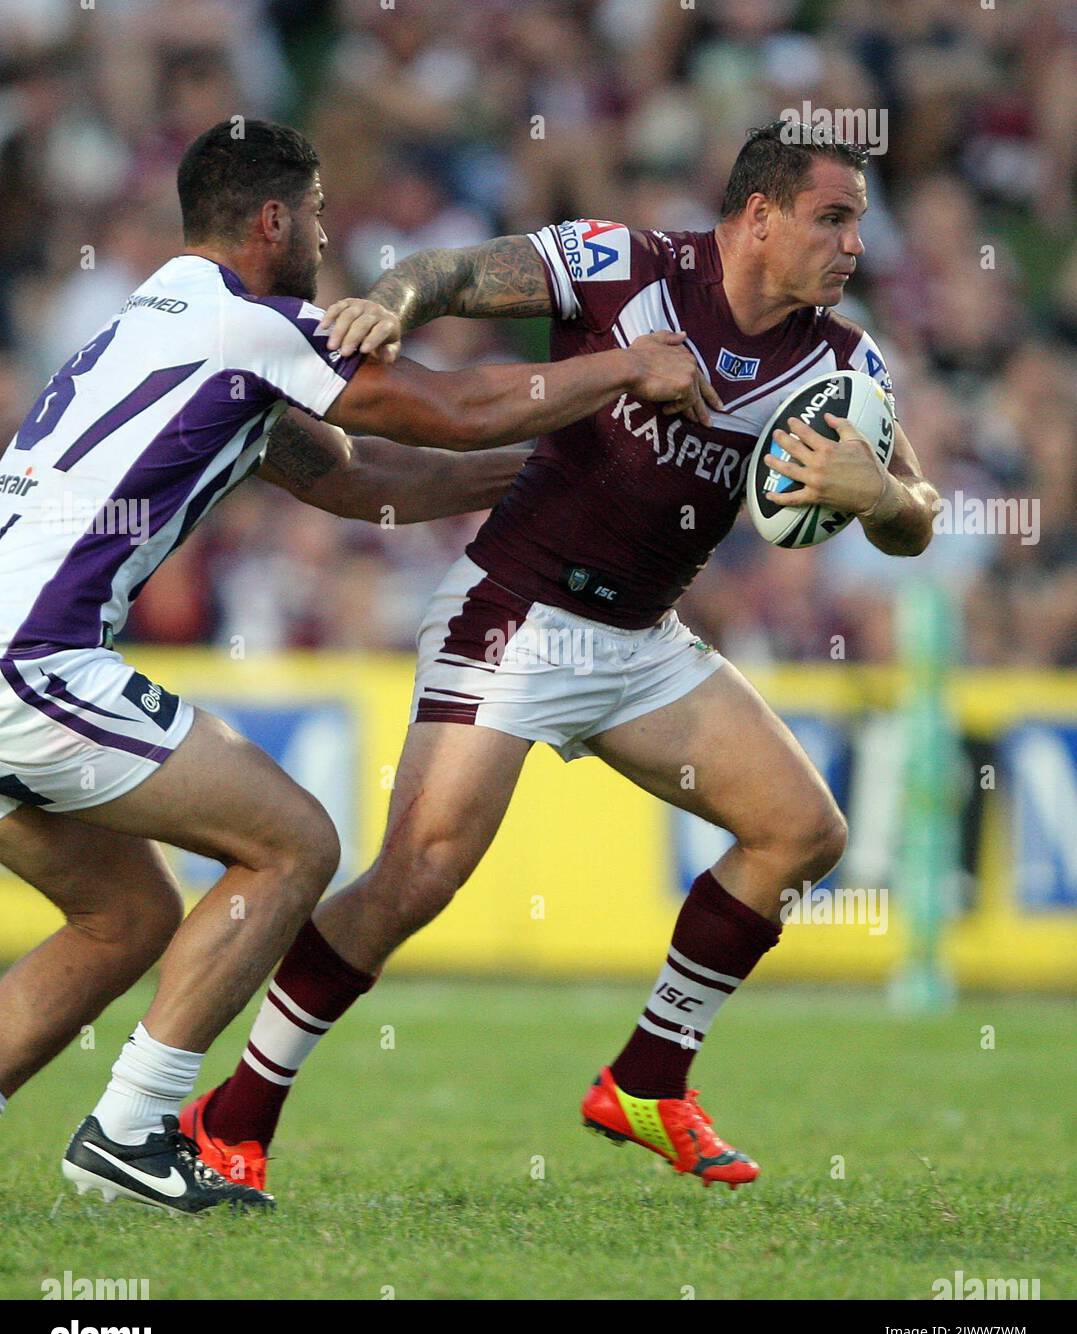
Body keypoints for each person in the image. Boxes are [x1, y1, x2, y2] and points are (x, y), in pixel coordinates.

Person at [184, 122, 938, 1192]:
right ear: (760, 215)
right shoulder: (627, 266)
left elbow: (919, 510)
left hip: (645, 643)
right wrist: (390, 303)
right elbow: (449, 271)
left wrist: (885, 499)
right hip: (518, 611)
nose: (854, 243)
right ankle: (232, 1112)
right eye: (834, 216)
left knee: (802, 831)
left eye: (858, 221)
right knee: (418, 874)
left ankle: (649, 1078)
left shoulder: (844, 360)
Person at [0, 118, 713, 1214]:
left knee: (125, 919)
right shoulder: (256, 322)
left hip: (20, 659)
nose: (331, 234)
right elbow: (447, 409)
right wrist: (629, 369)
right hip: (31, 661)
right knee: (294, 844)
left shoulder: (164, 316)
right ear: (275, 219)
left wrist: (541, 480)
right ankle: (132, 1132)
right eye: (323, 210)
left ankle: (127, 1128)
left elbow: (354, 477)